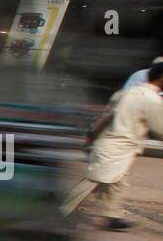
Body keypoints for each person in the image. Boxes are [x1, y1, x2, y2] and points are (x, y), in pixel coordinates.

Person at [63, 59, 163, 230]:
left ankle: (111, 217)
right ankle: (62, 211)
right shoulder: (152, 100)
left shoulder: (128, 92)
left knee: (118, 182)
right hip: (118, 147)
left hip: (109, 143)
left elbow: (107, 115)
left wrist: (92, 136)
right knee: (94, 180)